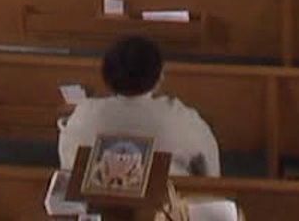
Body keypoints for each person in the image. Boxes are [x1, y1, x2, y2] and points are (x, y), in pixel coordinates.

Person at [59, 35, 221, 177]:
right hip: (169, 204)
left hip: (98, 203)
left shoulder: (85, 114)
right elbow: (210, 170)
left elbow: (68, 164)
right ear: (159, 77)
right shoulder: (182, 119)